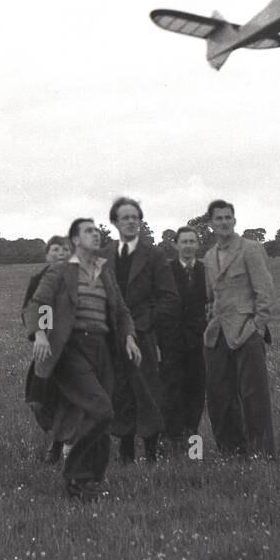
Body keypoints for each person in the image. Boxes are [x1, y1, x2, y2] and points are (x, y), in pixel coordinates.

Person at [25, 217, 141, 501]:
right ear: (75, 240)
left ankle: (88, 483)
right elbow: (39, 304)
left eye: (97, 230)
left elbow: (122, 311)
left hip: (102, 349)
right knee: (102, 410)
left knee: (97, 416)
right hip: (70, 349)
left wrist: (128, 336)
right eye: (89, 231)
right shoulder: (61, 271)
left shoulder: (105, 272)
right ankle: (74, 472)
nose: (96, 234)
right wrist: (40, 333)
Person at [203, 199, 276, 459]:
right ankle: (231, 451)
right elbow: (211, 297)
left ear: (234, 220)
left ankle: (262, 452)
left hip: (246, 332)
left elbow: (265, 294)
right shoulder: (209, 257)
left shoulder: (251, 249)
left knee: (253, 396)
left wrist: (256, 327)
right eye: (218, 218)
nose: (223, 222)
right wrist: (211, 320)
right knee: (219, 395)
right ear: (210, 224)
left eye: (227, 217)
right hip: (217, 335)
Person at [105, 197, 176, 462]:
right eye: (125, 217)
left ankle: (151, 454)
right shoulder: (104, 255)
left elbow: (169, 297)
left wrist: (145, 325)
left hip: (145, 335)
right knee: (120, 392)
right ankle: (125, 454)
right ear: (115, 222)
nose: (132, 221)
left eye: (135, 217)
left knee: (147, 392)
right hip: (113, 336)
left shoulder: (154, 255)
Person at [22, 236, 70, 463]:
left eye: (65, 249)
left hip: (71, 350)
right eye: (55, 249)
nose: (60, 253)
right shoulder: (37, 280)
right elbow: (29, 310)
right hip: (45, 350)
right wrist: (39, 335)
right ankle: (57, 436)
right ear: (47, 254)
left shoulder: (77, 280)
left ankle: (60, 445)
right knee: (37, 400)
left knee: (67, 400)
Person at [161, 226, 208, 446]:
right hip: (171, 339)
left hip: (199, 339)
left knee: (196, 386)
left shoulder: (205, 270)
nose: (188, 246)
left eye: (192, 241)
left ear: (198, 245)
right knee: (171, 387)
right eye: (184, 242)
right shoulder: (166, 270)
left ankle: (191, 435)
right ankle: (170, 437)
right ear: (176, 245)